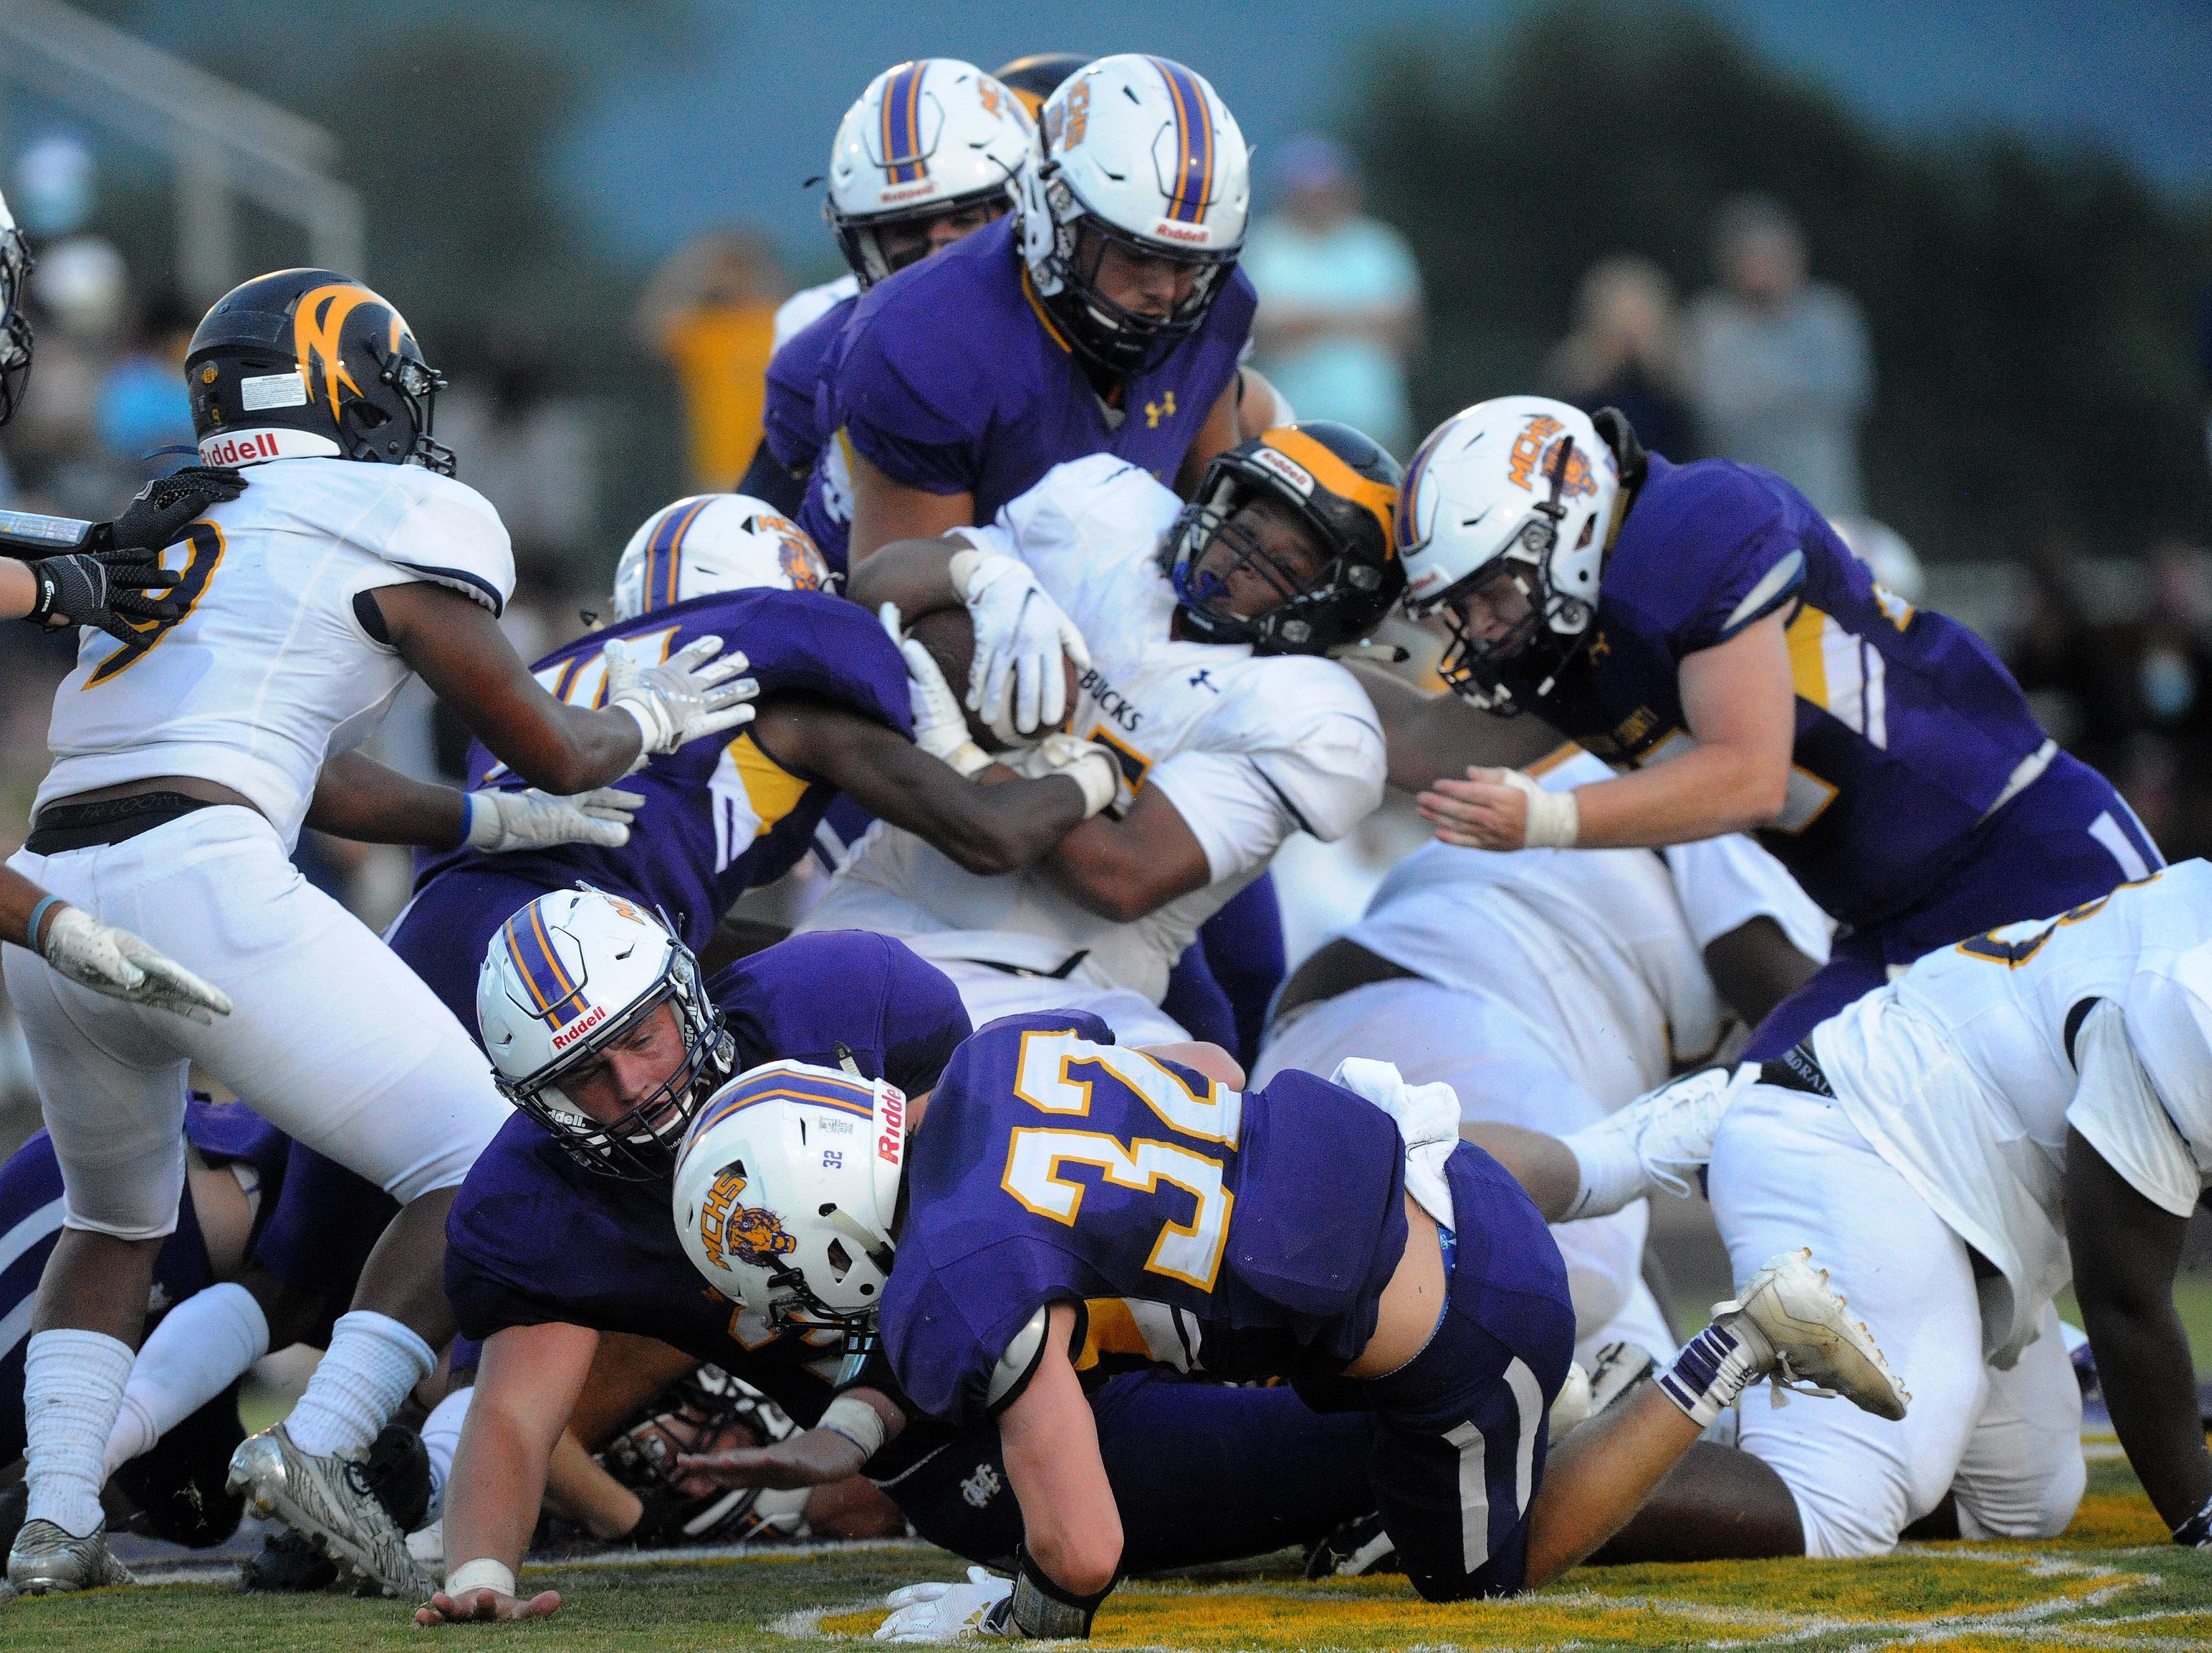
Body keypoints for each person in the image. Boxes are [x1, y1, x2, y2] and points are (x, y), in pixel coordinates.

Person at [2, 267, 758, 1599]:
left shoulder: (175, 515)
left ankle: (57, 1521)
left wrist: (484, 826)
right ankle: (322, 1445)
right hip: (205, 881)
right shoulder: (389, 512)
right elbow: (550, 741)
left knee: (115, 1224)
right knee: (491, 1156)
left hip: (52, 887)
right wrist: (639, 724)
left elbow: (297, 767)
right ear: (350, 390)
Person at [676, 1022, 1906, 1632]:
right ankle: (1570, 1371)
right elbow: (1206, 1060)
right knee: (1131, 1307)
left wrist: (1005, 1619)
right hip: (1446, 1169)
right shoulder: (993, 1065)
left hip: (1468, 1325)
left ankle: (1729, 1344)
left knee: (1486, 1579)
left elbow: (1085, 1549)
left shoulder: (959, 1269)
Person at [418, 897, 1375, 1624]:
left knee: (1326, 1284)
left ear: (685, 993)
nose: (634, 1086)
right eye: (587, 1076)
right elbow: (511, 1413)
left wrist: (850, 1424)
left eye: (640, 1038)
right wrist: (480, 1577)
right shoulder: (536, 1208)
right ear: (534, 1100)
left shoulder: (830, 997)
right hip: (961, 1419)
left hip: (1070, 1278)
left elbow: (1007, 1156)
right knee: (1347, 1458)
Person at [1393, 396, 2160, 1058]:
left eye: (1490, 592)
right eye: (1461, 610)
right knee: (1772, 1124)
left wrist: (1552, 818)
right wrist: (1293, 657)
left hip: (2022, 854)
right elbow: (1425, 747)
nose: (1482, 628)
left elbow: (1748, 775)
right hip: (1885, 928)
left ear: (1558, 527)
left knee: (2176, 1111)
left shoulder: (1692, 529)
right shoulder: (1569, 633)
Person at [1591, 862, 2212, 1562]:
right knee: (1837, 1508)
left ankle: (1637, 1410)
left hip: (1970, 1185)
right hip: (1866, 1142)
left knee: (2018, 1499)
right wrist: (2202, 1516)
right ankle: (1492, 1494)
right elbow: (2125, 1296)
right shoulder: (2193, 995)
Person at [383, 491, 1108, 1029]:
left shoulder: (571, 673)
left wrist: (806, 951)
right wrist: (1097, 773)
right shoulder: (783, 704)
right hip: (572, 969)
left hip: (424, 931)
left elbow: (687, 924)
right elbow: (991, 832)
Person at [806, 423, 1402, 1044]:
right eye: (1244, 530)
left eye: (1282, 565)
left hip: (1076, 980)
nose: (1238, 560)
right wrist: (971, 574)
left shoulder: (1310, 716)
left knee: (1208, 1074)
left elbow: (1121, 877)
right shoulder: (1108, 517)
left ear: (1335, 604)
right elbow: (875, 589)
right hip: (899, 897)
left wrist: (959, 760)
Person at [1257, 742, 1830, 1362]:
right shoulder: (1734, 793)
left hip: (1327, 1047)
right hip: (1458, 1035)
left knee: (1636, 1397)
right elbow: (1827, 1045)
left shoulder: (1624, 757)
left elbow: (1595, 1197)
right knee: (1562, 1313)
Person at [801, 52, 1257, 579]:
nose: (1163, 291)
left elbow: (1210, 520)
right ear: (1052, 217)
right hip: (939, 619)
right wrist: (983, 584)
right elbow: (893, 591)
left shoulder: (1217, 301)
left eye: (1188, 264)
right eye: (1136, 255)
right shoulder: (919, 336)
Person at [741, 59, 1035, 522]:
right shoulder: (817, 366)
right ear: (863, 242)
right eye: (907, 230)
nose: (939, 259)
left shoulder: (1095, 324)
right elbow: (758, 556)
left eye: (964, 222)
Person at [1686, 195, 1872, 519]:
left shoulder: (1830, 316)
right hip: (1742, 511)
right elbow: (1714, 409)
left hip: (1828, 501)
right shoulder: (1709, 323)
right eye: (1751, 254)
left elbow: (1847, 397)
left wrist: (1755, 389)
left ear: (1798, 255)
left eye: (1773, 253)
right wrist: (1795, 393)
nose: (1763, 264)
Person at [1242, 135, 1422, 458]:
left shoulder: (1379, 246)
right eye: (1307, 192)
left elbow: (1407, 332)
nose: (1318, 201)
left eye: (1326, 191)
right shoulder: (1265, 249)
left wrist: (1310, 320)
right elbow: (1260, 334)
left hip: (1376, 423)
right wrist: (1362, 319)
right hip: (1289, 425)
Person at [1542, 255, 1695, 461]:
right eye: (1623, 315)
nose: (1629, 328)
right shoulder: (1578, 385)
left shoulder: (1671, 391)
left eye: (1638, 316)